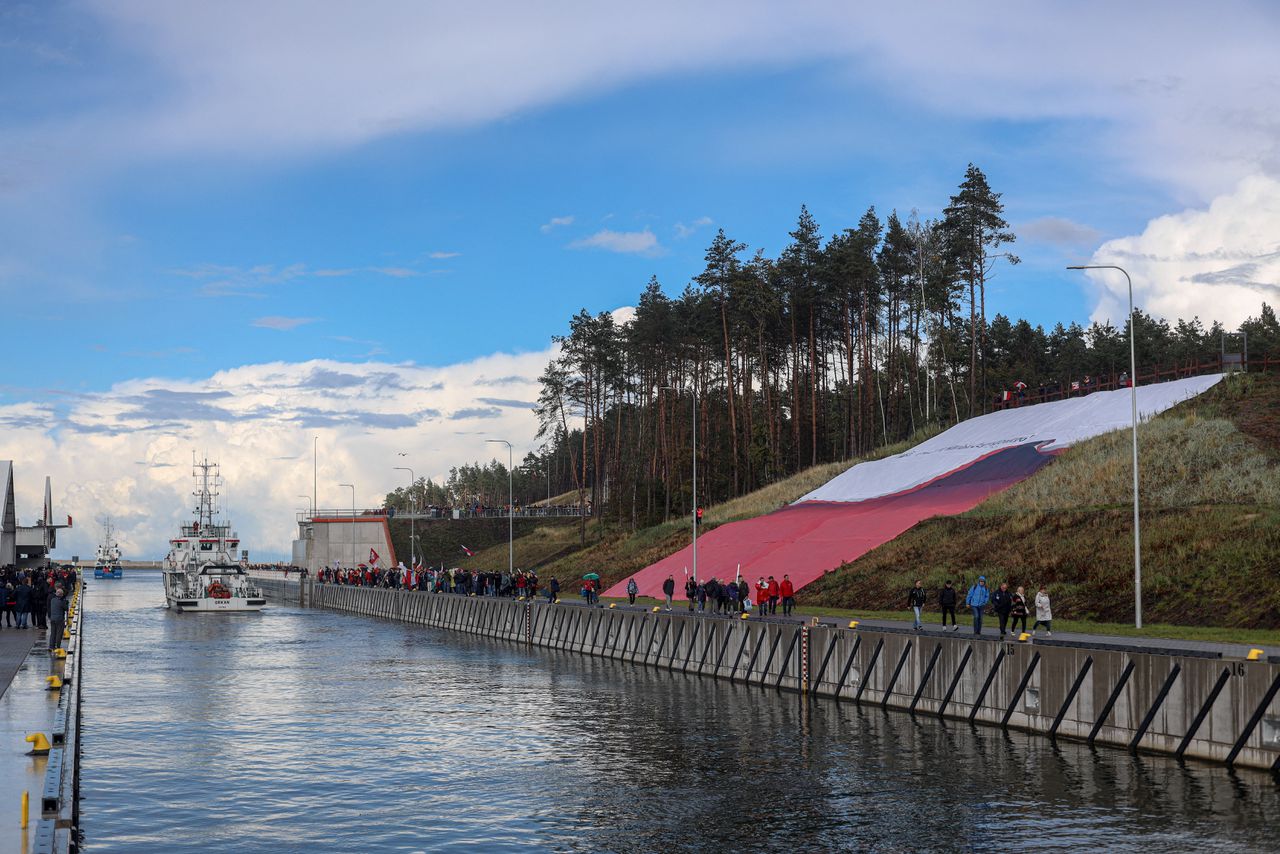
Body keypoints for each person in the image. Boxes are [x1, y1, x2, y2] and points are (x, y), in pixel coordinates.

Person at [47, 585, 68, 652]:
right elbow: (66, 608)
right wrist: (65, 603)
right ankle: (57, 646)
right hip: (59, 619)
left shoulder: (52, 600)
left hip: (52, 618)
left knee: (53, 633)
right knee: (59, 633)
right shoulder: (62, 602)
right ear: (61, 595)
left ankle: (51, 646)